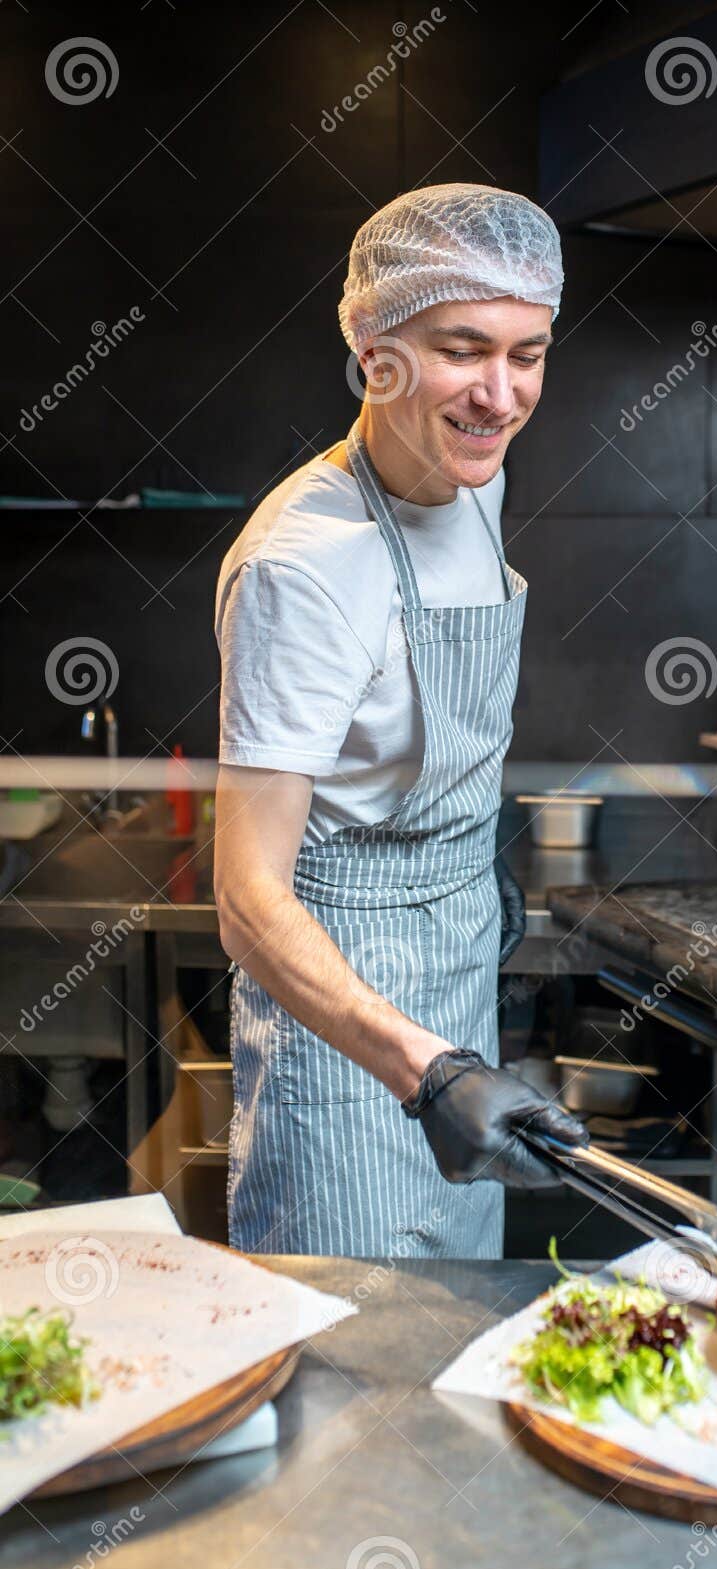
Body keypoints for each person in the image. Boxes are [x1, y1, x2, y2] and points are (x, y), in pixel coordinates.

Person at [213, 183, 588, 1259]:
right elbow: (246, 901)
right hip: (344, 1026)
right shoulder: (306, 566)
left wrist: (462, 868)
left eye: (530, 353)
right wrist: (431, 1072)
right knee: (354, 1371)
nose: (502, 395)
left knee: (453, 1327)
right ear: (373, 348)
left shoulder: (474, 477)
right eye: (464, 347)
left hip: (456, 979)